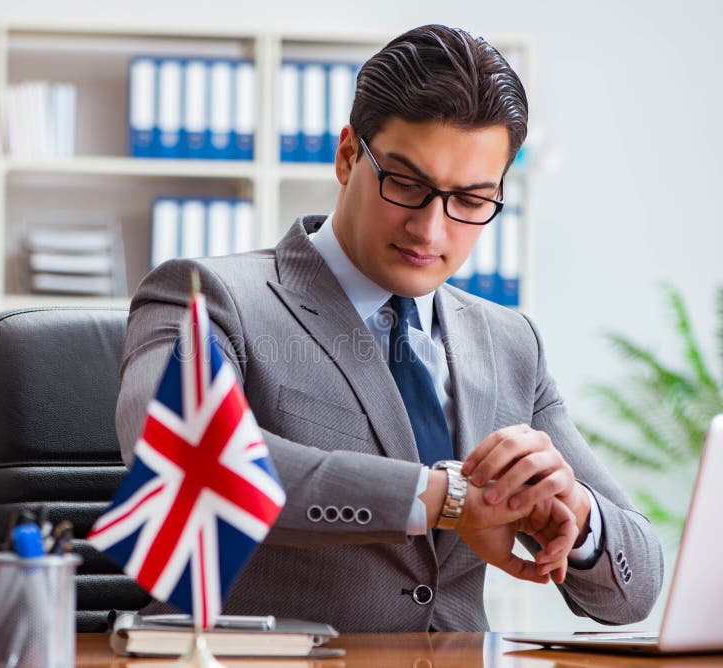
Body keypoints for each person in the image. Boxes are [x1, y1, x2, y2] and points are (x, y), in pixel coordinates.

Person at [116, 24, 663, 631]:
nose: (431, 231)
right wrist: (448, 499)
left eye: (472, 200)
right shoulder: (207, 297)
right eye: (405, 184)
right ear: (348, 155)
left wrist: (576, 513)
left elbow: (635, 591)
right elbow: (184, 459)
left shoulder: (510, 344)